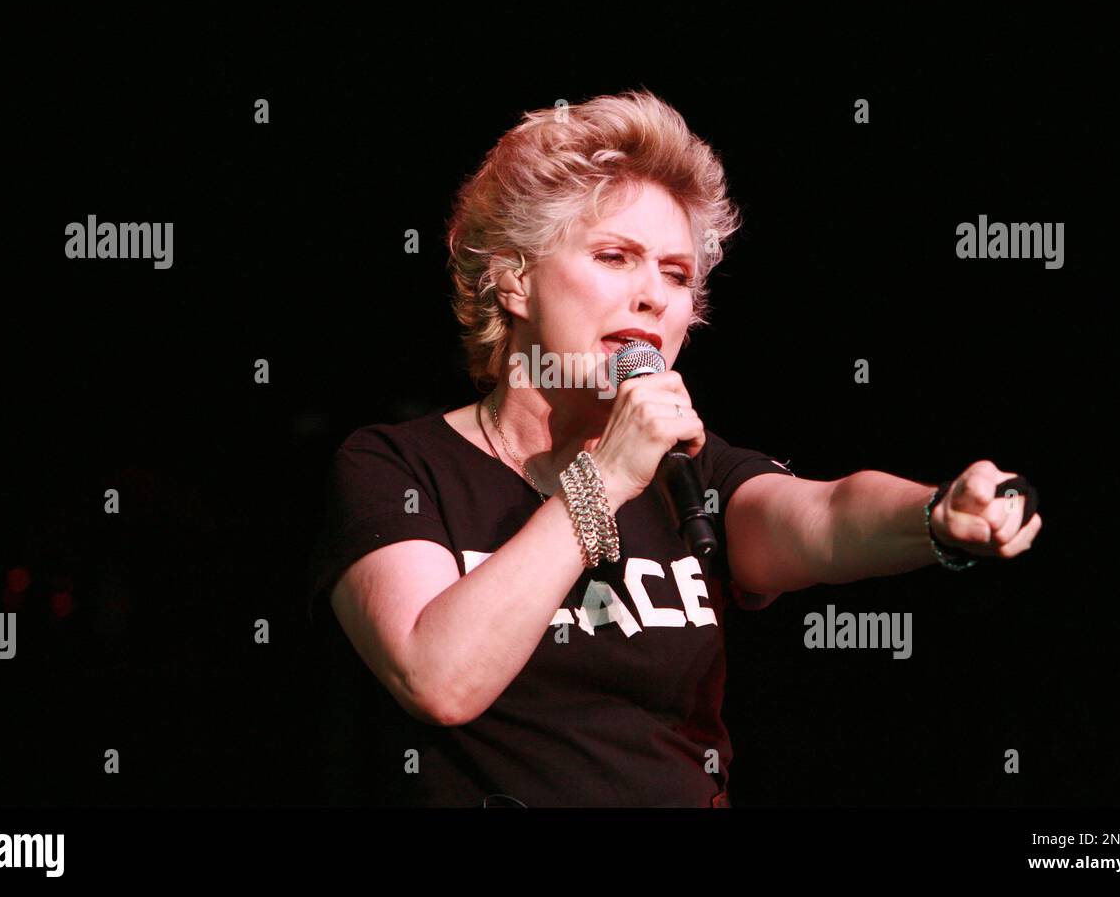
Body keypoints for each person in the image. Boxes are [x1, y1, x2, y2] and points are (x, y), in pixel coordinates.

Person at [307, 89, 1043, 807]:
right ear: (513, 281)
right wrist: (605, 478)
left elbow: (822, 514)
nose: (655, 296)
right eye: (615, 256)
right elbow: (440, 679)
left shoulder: (689, 471)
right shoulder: (397, 466)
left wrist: (936, 513)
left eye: (677, 273)